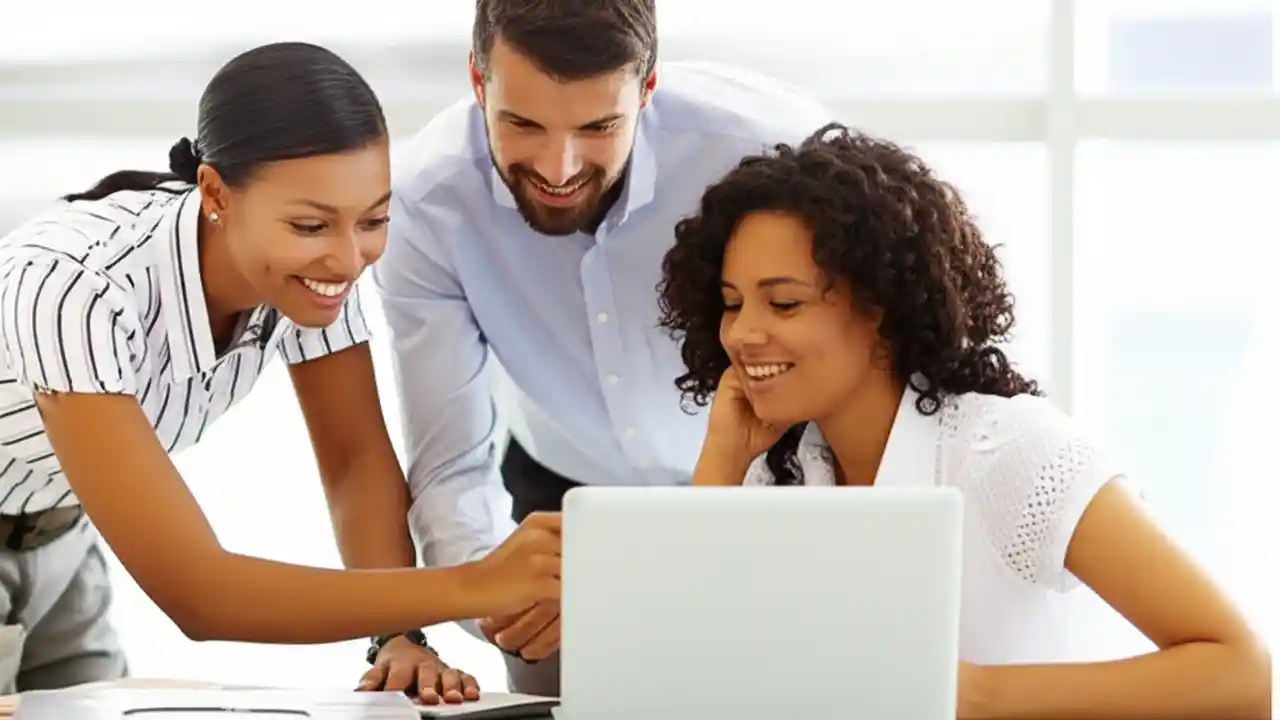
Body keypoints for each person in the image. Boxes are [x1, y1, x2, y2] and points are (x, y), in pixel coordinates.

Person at [0, 42, 561, 703]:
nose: (349, 259)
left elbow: (354, 459)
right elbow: (199, 595)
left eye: (375, 220)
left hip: (61, 535)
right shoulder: (74, 287)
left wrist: (399, 634)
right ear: (214, 192)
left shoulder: (309, 278)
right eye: (310, 225)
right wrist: (478, 582)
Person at [655, 123, 1272, 718]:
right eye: (732, 304)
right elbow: (681, 677)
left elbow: (1244, 674)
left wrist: (974, 698)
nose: (742, 333)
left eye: (783, 302)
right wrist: (720, 462)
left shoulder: (1007, 454)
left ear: (882, 310)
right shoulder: (783, 471)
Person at [374, 0, 833, 694]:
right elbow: (450, 468)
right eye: (522, 124)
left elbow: (860, 368)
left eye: (598, 127)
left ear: (647, 87)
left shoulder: (769, 147)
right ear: (477, 80)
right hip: (555, 501)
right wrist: (494, 597)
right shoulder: (425, 205)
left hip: (766, 490)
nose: (558, 167)